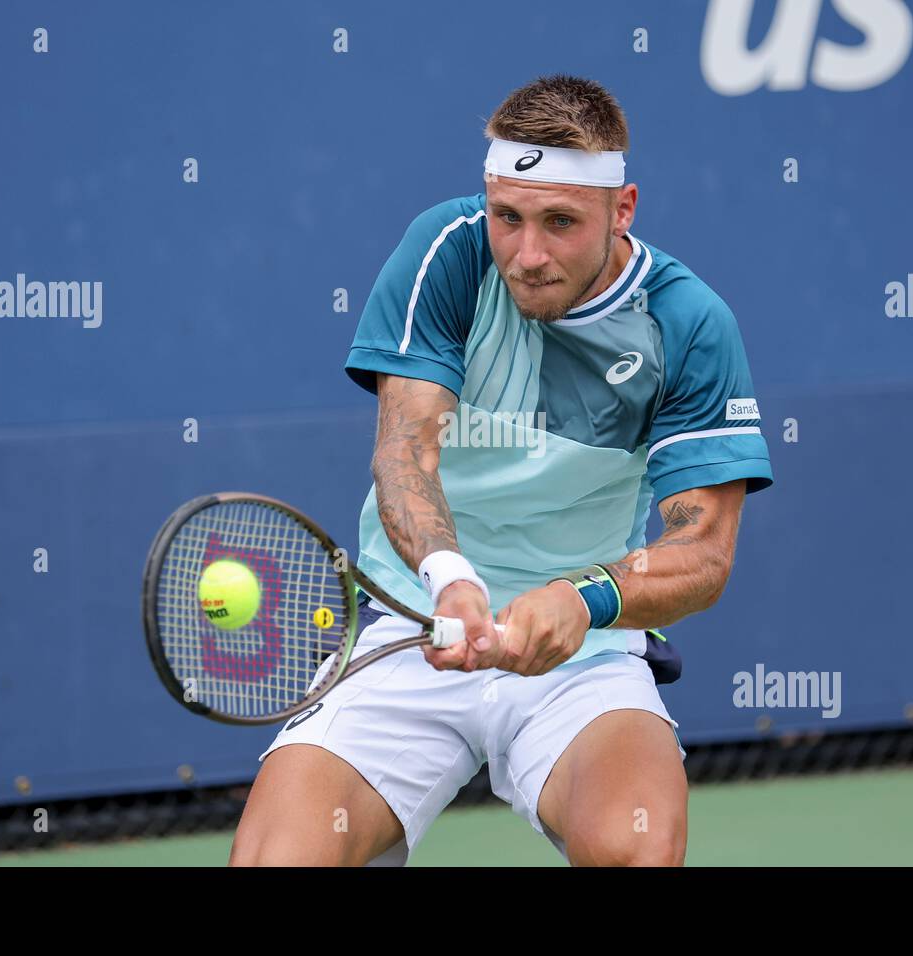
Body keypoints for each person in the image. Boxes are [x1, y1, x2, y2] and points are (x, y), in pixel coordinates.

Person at [230, 74, 773, 867]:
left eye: (560, 223)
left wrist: (587, 600)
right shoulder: (447, 252)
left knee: (638, 853)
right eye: (507, 218)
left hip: (582, 658)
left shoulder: (686, 323)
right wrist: (450, 577)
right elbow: (404, 452)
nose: (527, 254)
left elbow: (704, 551)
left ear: (622, 210)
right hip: (412, 628)